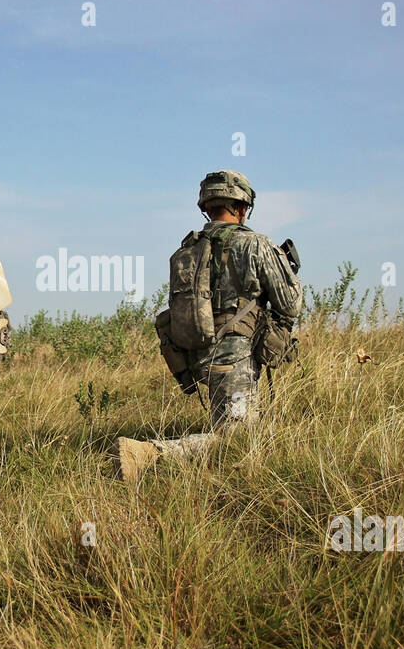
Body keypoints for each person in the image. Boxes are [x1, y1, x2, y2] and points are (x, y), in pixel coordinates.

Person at [114, 170, 303, 481]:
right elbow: (290, 303)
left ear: (207, 207)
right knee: (235, 438)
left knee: (232, 432)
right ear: (243, 207)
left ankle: (210, 483)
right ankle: (146, 453)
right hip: (234, 359)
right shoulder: (255, 245)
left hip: (196, 355)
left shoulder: (188, 249)